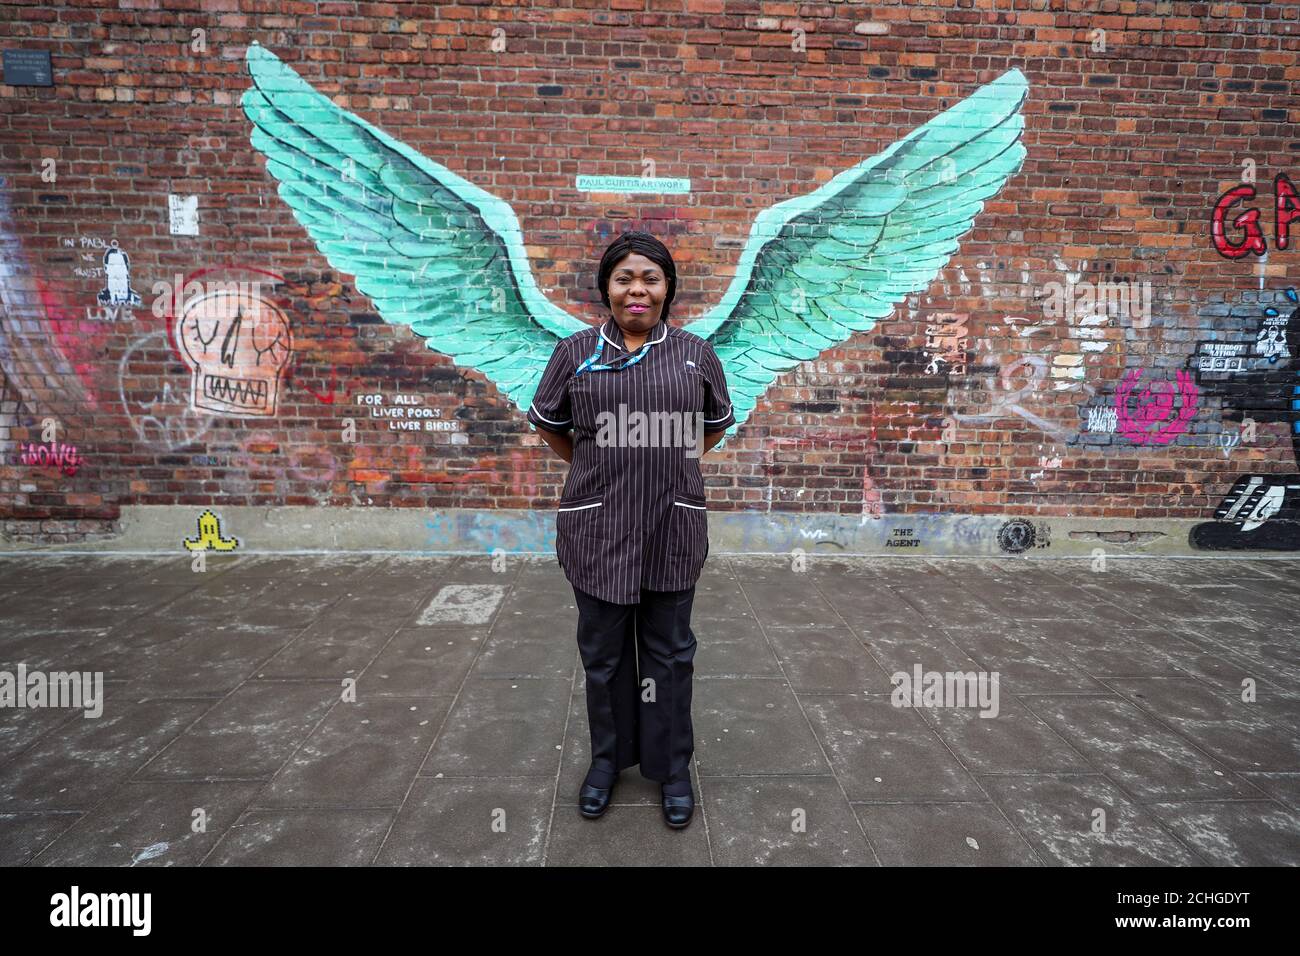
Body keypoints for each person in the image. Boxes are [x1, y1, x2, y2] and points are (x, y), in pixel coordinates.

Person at [527, 231, 735, 829]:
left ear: (668, 288)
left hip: (673, 524)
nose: (637, 289)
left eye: (650, 278)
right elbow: (549, 424)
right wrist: (597, 466)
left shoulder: (695, 354)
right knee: (605, 658)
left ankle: (672, 769)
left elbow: (714, 427)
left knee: (669, 655)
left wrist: (665, 460)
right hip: (598, 529)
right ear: (606, 289)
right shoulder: (574, 352)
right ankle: (606, 762)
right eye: (624, 279)